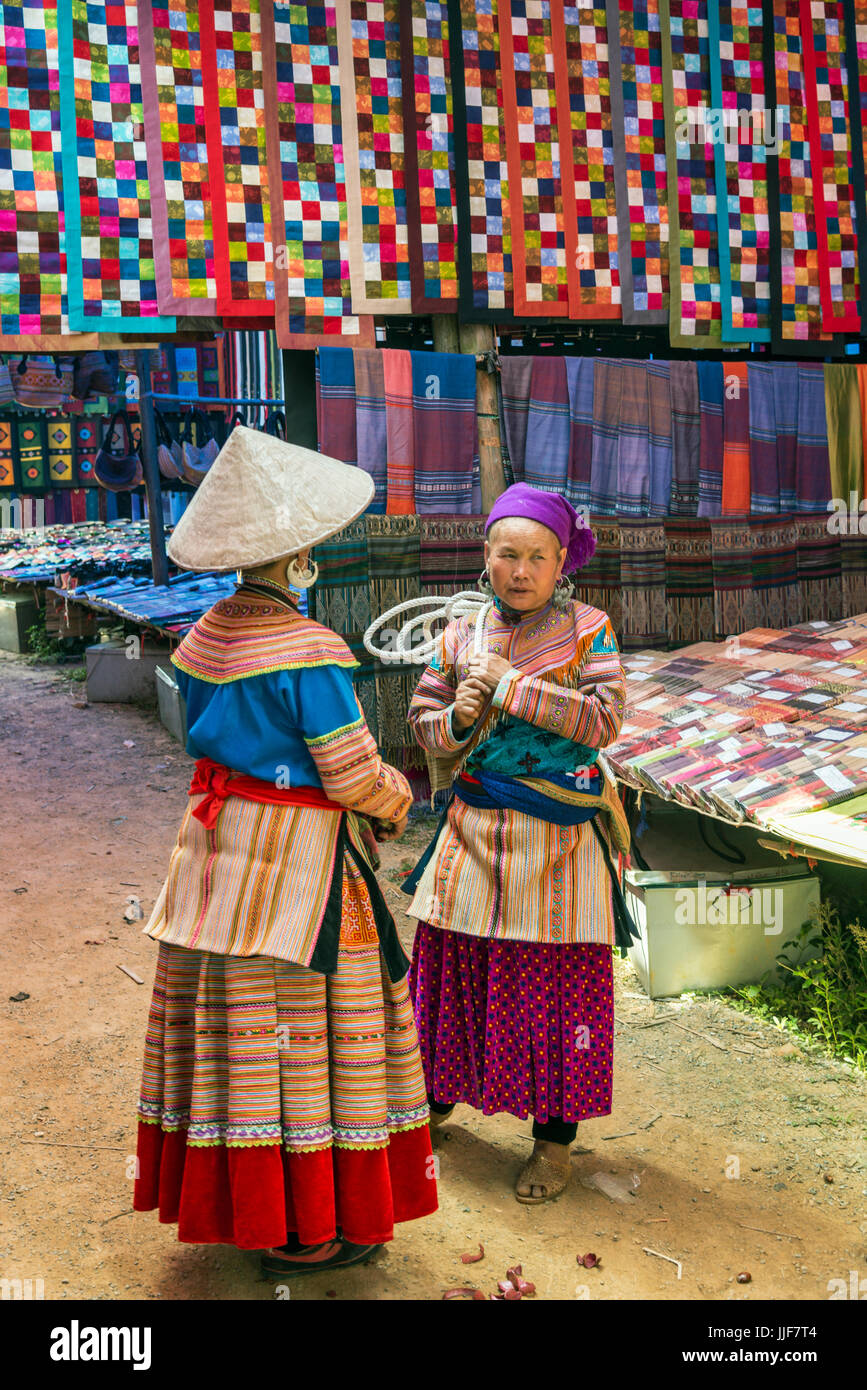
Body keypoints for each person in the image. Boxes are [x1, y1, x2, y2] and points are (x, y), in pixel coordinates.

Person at [133, 426, 437, 1276]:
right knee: (317, 1037)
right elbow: (348, 773)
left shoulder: (204, 637)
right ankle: (313, 1224)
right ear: (299, 551)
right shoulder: (310, 651)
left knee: (236, 1030)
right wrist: (398, 799)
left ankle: (253, 1210)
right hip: (303, 872)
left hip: (215, 859)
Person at [403, 482, 630, 1204]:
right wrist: (458, 718)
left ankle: (553, 1143)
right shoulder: (459, 632)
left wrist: (508, 686)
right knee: (453, 971)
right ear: (486, 555)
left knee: (557, 993)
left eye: (536, 556)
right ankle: (431, 1105)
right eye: (508, 555)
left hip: (558, 842)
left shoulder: (590, 628)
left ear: (562, 560)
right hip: (472, 832)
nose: (521, 571)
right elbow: (423, 723)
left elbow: (603, 724)